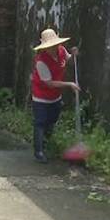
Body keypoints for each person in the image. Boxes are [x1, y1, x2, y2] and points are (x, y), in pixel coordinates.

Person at [31, 28, 80, 163]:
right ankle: (38, 151)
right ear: (45, 48)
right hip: (41, 97)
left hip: (55, 97)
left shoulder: (62, 50)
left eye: (55, 45)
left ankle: (46, 143)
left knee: (52, 120)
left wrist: (73, 54)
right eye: (50, 46)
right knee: (40, 122)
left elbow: (68, 60)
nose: (53, 48)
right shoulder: (41, 61)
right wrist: (69, 84)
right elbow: (49, 83)